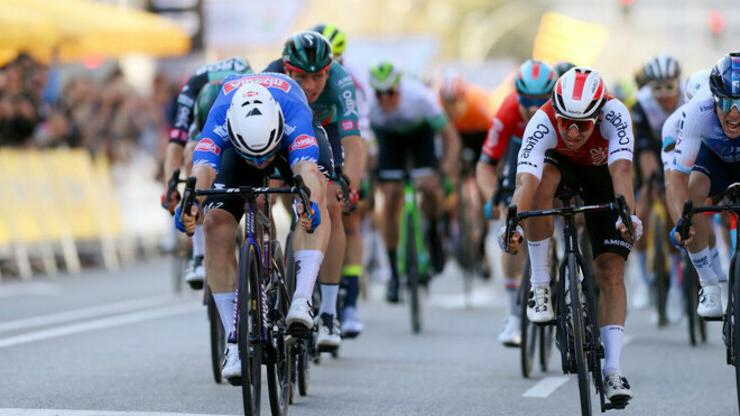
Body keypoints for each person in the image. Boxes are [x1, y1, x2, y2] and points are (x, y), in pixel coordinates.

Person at [177, 74, 333, 383]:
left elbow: (306, 169)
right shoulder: (221, 116)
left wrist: (308, 204)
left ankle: (301, 298)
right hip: (237, 151)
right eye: (255, 157)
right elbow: (203, 169)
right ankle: (234, 342)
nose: (260, 163)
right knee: (214, 224)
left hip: (287, 145)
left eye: (263, 157)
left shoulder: (293, 112)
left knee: (314, 195)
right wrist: (191, 206)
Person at [502, 67, 638, 404]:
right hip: (558, 170)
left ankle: (613, 371)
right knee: (543, 183)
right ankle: (540, 285)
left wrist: (628, 217)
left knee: (610, 270)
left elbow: (621, 171)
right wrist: (514, 222)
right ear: (555, 111)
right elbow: (525, 183)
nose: (573, 132)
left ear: (598, 114)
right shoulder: (543, 120)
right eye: (566, 123)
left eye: (583, 124)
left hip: (601, 177)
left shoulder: (615, 113)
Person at [263, 31, 363, 350]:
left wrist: (350, 183)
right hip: (279, 130)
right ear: (286, 70)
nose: (310, 86)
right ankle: (265, 269)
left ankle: (330, 311)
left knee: (332, 202)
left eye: (318, 76)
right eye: (302, 77)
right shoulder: (270, 75)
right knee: (267, 191)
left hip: (324, 132)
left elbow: (353, 142)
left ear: (328, 70)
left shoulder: (340, 81)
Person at [476, 59, 557, 346]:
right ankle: (513, 315)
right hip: (519, 154)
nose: (534, 108)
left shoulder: (560, 110)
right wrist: (493, 199)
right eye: (527, 101)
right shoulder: (509, 110)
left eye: (541, 101)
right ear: (516, 97)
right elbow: (485, 164)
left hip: (553, 155)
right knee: (509, 222)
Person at [368, 60, 461, 303]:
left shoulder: (420, 98)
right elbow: (368, 148)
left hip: (421, 136)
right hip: (391, 141)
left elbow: (450, 138)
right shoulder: (372, 108)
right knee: (389, 197)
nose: (386, 99)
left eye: (391, 92)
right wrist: (370, 178)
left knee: (430, 187)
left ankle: (432, 234)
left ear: (400, 88)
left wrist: (446, 172)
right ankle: (394, 276)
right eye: (380, 94)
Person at [161, 57, 253, 289]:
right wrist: (171, 187)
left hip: (242, 115)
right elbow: (175, 144)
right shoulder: (191, 91)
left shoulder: (247, 80)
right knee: (194, 154)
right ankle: (200, 255)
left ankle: (264, 247)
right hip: (205, 115)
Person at [670, 52, 740, 319]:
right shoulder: (697, 111)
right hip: (714, 162)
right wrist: (682, 221)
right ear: (713, 98)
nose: (734, 114)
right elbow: (676, 177)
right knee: (693, 194)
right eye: (727, 102)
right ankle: (709, 284)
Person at [311, 23, 370, 338]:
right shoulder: (296, 78)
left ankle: (349, 301)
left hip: (341, 134)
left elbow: (358, 137)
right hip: (302, 130)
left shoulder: (348, 81)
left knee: (347, 215)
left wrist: (351, 182)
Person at [631, 55, 683, 307]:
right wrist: (651, 181)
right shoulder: (642, 103)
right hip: (651, 151)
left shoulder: (689, 97)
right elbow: (642, 148)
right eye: (657, 88)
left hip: (683, 150)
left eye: (669, 87)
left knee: (677, 212)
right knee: (641, 212)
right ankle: (643, 280)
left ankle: (676, 281)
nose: (663, 95)